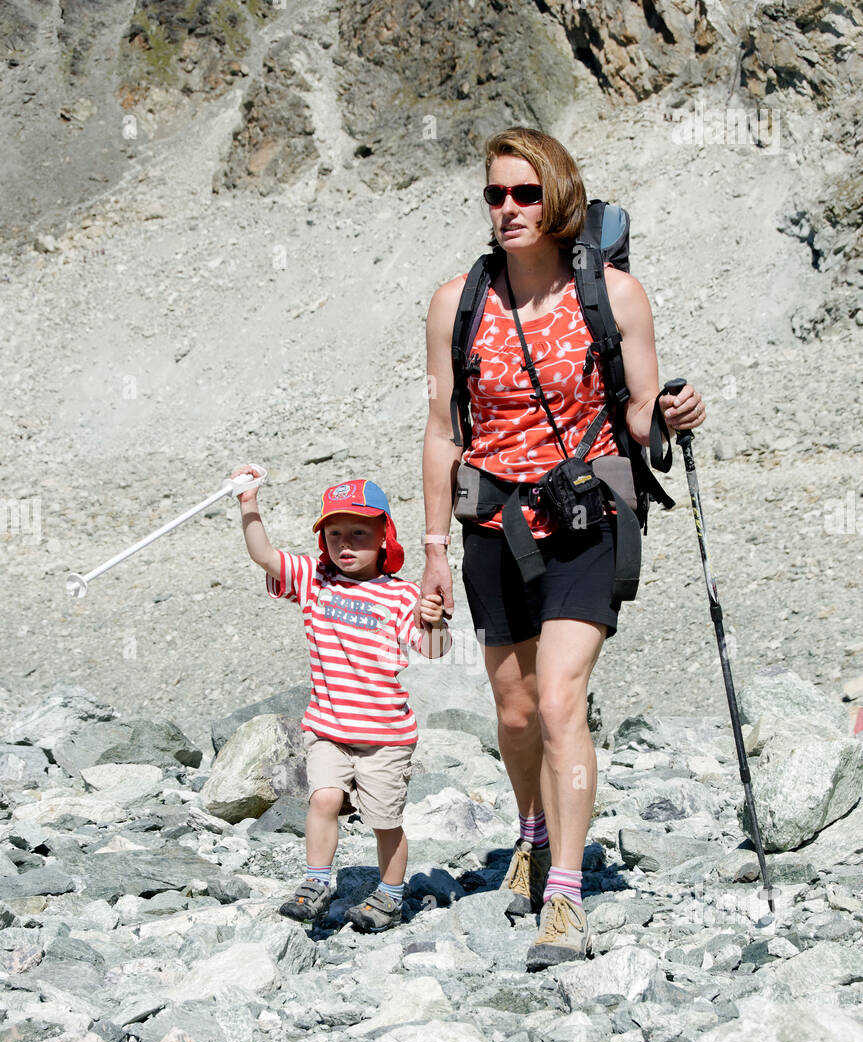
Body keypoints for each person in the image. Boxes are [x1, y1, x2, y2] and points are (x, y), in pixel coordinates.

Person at [419, 127, 706, 970]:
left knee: (555, 703)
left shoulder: (614, 295)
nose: (507, 209)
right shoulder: (455, 302)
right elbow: (443, 431)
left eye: (524, 193)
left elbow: (641, 413)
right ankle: (530, 833)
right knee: (511, 713)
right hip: (489, 525)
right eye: (494, 195)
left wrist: (675, 416)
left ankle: (567, 899)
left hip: (588, 519)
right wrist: (433, 550)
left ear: (558, 197)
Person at [235, 470, 451, 931]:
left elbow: (432, 651)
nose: (345, 544)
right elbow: (263, 555)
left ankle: (391, 894)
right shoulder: (314, 580)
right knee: (324, 798)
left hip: (385, 737)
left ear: (384, 536)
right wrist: (248, 502)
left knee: (384, 820)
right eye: (334, 534)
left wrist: (434, 622)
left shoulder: (401, 595)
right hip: (328, 728)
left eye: (359, 532)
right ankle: (316, 882)